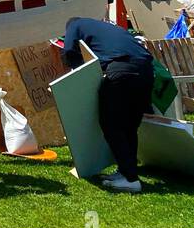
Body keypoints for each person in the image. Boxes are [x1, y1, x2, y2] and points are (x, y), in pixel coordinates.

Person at [61, 17, 156, 193]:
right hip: (147, 70)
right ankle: (126, 172)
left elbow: (69, 51)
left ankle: (130, 179)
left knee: (111, 123)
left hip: (122, 69)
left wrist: (77, 76)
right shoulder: (107, 27)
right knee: (129, 126)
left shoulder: (74, 24)